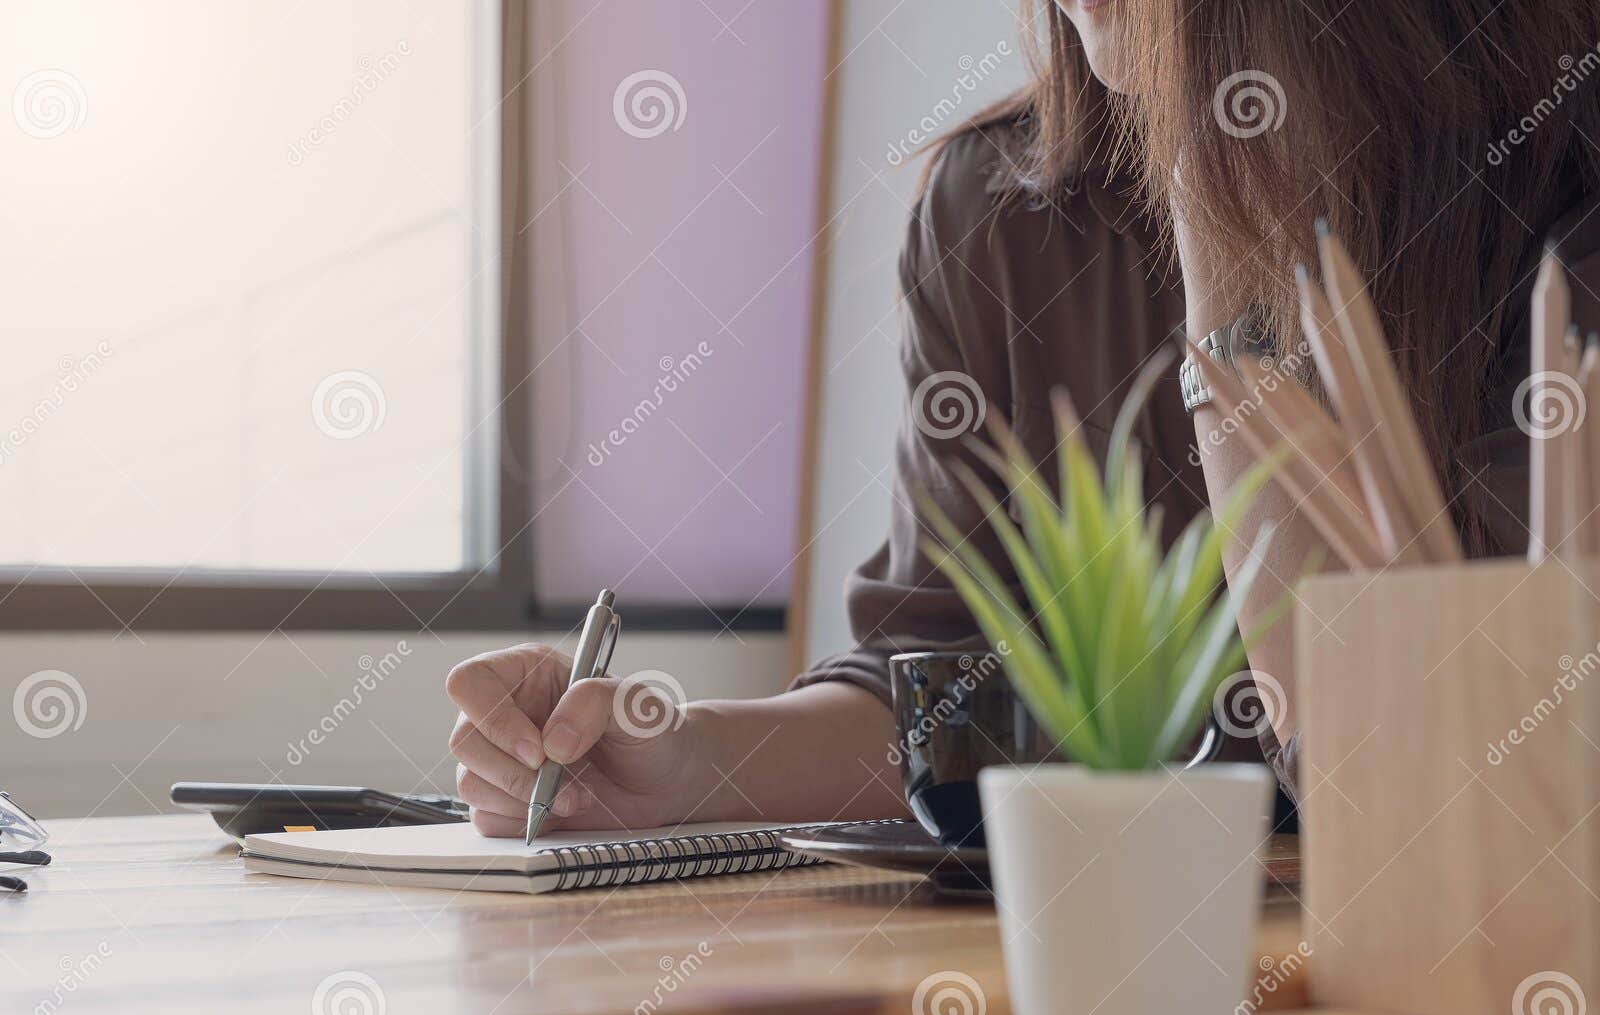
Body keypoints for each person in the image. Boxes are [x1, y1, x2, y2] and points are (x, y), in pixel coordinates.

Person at [447, 0, 1600, 836]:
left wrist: (1215, 193)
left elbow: (1396, 772)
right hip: (1111, 962)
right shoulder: (999, 211)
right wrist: (685, 760)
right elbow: (953, 686)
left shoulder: (1556, 171)